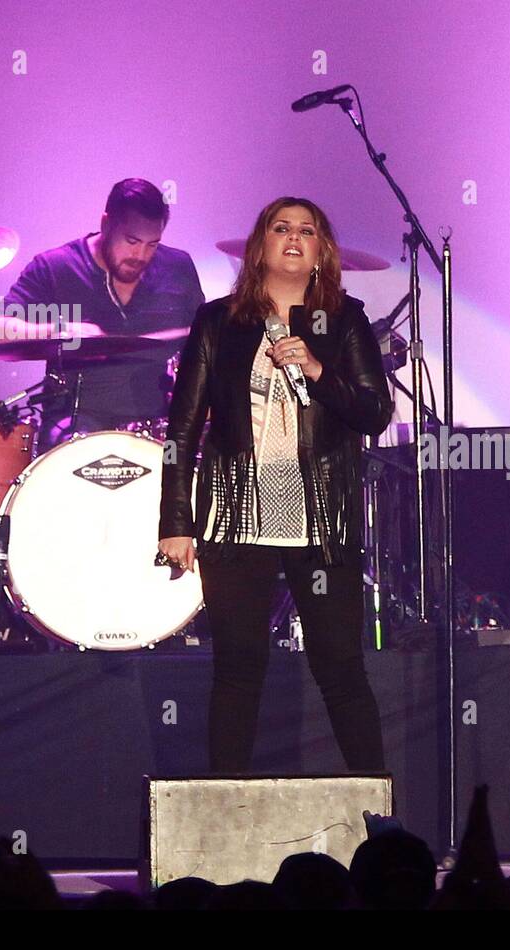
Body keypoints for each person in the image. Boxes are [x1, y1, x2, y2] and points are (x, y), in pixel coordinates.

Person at [158, 196, 392, 773]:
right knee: (238, 665)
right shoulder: (218, 322)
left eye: (306, 231)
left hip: (321, 516)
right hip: (238, 514)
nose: (293, 238)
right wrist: (175, 523)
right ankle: (227, 814)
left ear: (320, 252)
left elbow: (373, 412)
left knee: (340, 665)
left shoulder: (344, 320)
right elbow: (183, 427)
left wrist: (316, 368)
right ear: (260, 245)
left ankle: (377, 815)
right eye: (280, 228)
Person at [0, 178, 205, 451]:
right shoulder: (55, 267)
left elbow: (203, 341)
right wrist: (59, 332)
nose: (140, 255)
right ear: (106, 224)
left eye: (152, 244)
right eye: (131, 241)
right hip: (74, 431)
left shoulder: (178, 266)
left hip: (157, 432)